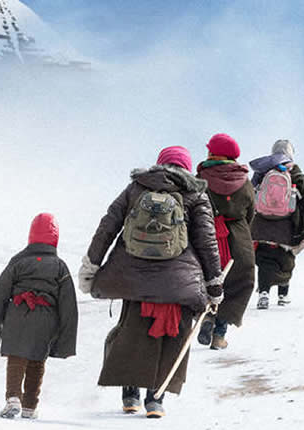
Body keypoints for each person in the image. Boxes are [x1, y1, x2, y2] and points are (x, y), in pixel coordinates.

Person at [78, 146, 223, 419]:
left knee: (132, 332)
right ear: (187, 168)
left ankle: (129, 395)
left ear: (159, 165)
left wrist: (92, 267)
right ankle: (155, 399)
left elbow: (108, 226)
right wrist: (214, 285)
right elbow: (206, 242)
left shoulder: (136, 188)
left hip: (131, 275)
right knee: (172, 337)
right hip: (178, 282)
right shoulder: (195, 194)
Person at [0, 212, 78, 420]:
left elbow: (0, 293)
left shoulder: (18, 261)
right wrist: (65, 338)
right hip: (45, 320)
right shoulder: (60, 266)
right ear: (55, 238)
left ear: (31, 235)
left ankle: (13, 398)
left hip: (17, 314)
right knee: (37, 360)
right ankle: (30, 406)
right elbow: (69, 304)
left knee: (16, 357)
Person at [195, 133, 256, 349]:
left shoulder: (200, 177)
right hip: (238, 239)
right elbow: (251, 211)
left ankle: (206, 318)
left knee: (206, 279)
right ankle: (219, 335)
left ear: (212, 152)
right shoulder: (244, 181)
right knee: (236, 284)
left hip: (207, 235)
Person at [248, 139, 304, 308]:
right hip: (287, 225)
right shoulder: (298, 175)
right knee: (286, 258)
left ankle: (263, 293)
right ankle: (283, 295)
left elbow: (249, 193)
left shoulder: (263, 172)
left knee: (264, 259)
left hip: (262, 223)